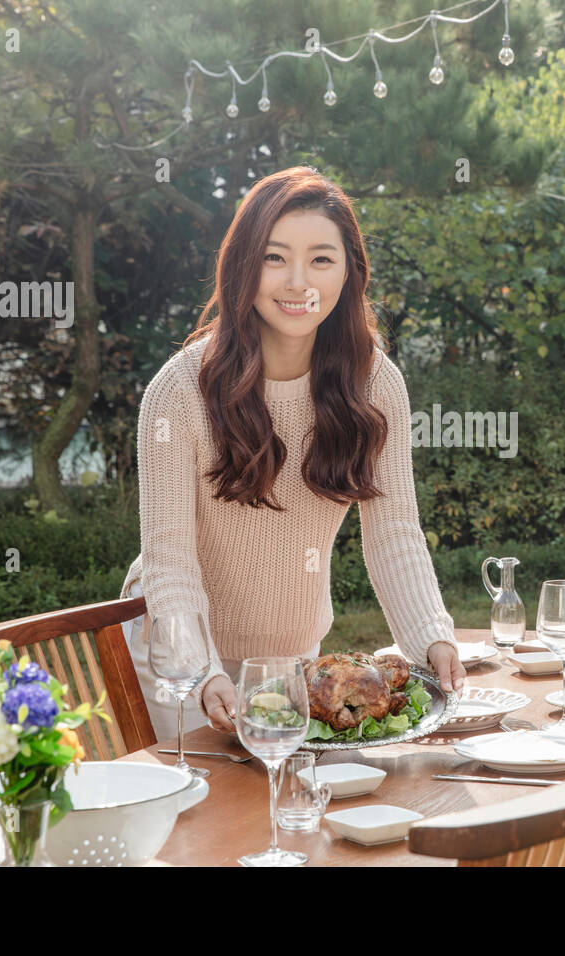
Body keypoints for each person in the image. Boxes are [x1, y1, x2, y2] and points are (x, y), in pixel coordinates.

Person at [119, 166, 465, 741]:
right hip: (175, 664)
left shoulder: (374, 384)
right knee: (206, 824)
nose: (298, 281)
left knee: (287, 817)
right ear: (242, 265)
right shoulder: (179, 392)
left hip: (292, 662)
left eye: (321, 259)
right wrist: (200, 672)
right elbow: (168, 560)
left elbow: (395, 532)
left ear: (349, 271)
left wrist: (432, 636)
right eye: (274, 257)